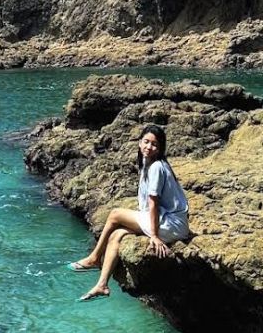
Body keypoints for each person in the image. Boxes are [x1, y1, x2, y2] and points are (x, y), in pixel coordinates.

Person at [70, 124, 189, 301]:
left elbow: (153, 202)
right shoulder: (147, 163)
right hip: (167, 221)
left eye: (154, 144)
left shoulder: (157, 166)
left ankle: (94, 257)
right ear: (139, 143)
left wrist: (154, 236)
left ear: (160, 148)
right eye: (146, 142)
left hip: (171, 224)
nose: (149, 147)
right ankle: (102, 285)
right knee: (116, 234)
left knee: (115, 214)